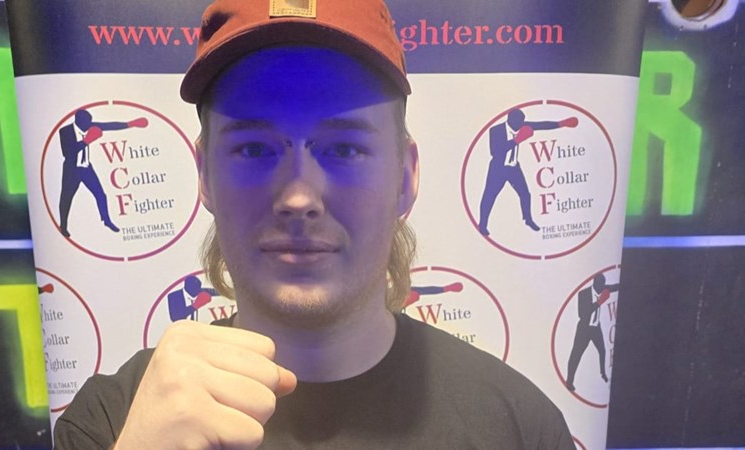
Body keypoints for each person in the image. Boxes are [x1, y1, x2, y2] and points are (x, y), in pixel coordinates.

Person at [53, 0, 575, 448]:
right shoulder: (112, 423)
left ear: (404, 178)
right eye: (254, 149)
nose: (298, 197)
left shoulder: (517, 426)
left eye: (344, 149)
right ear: (205, 175)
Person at [477, 108, 577, 236]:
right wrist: (516, 140)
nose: (521, 125)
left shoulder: (521, 125)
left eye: (522, 122)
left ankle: (528, 220)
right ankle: (482, 225)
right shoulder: (495, 130)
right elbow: (495, 152)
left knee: (525, 194)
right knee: (489, 196)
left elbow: (541, 125)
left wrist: (561, 124)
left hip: (514, 168)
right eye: (519, 122)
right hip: (498, 169)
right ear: (510, 120)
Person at [58, 109, 148, 237]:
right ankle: (63, 226)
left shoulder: (89, 125)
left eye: (89, 123)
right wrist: (86, 141)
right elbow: (67, 153)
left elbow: (109, 125)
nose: (89, 126)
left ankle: (106, 221)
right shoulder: (65, 131)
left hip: (86, 168)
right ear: (78, 122)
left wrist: (130, 124)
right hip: (71, 170)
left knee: (100, 194)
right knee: (66, 198)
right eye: (86, 124)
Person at [565, 273, 620, 392]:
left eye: (603, 286)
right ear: (595, 284)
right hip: (584, 329)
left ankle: (603, 373)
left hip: (596, 328)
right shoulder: (583, 294)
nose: (602, 288)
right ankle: (569, 381)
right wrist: (598, 302)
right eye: (600, 286)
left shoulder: (603, 288)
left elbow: (615, 286)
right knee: (576, 355)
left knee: (602, 350)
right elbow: (582, 314)